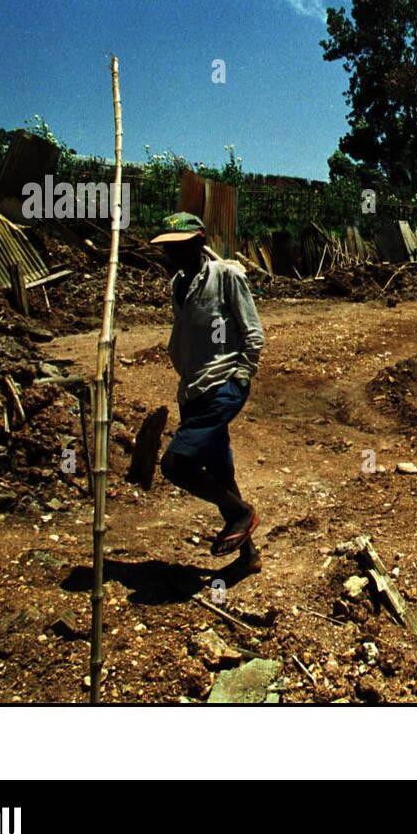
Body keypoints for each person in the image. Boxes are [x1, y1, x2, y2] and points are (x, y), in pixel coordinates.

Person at [150, 213, 264, 569]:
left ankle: (242, 513)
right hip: (193, 390)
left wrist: (241, 375)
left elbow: (253, 332)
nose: (171, 254)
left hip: (223, 385)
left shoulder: (226, 276)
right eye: (167, 248)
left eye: (178, 247)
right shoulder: (177, 285)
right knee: (219, 472)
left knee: (175, 465)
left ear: (199, 243)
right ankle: (248, 555)